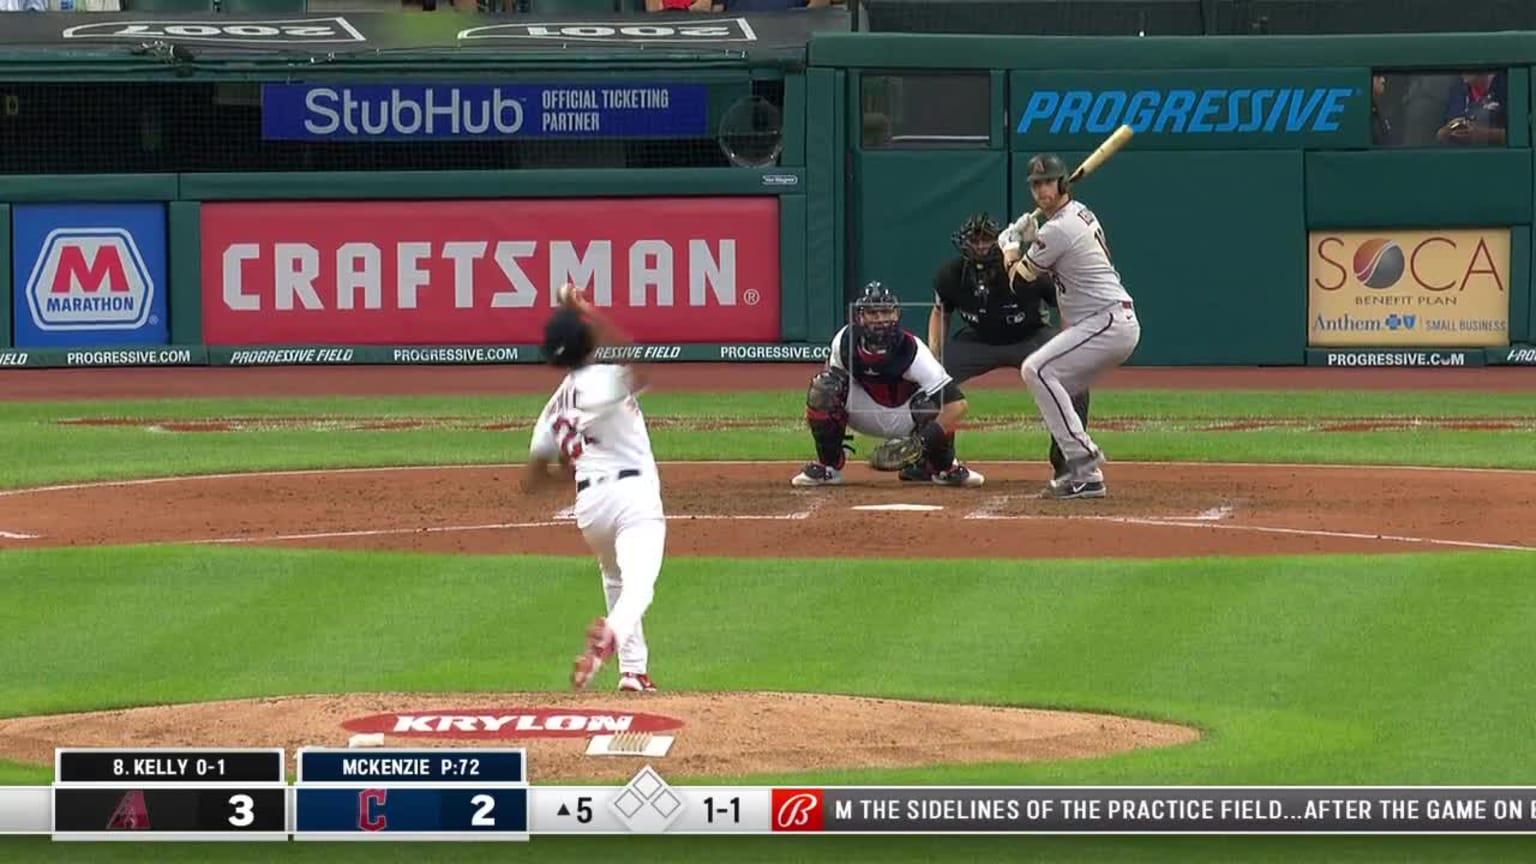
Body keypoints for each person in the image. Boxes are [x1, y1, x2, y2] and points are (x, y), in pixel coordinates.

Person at [522, 283, 663, 693]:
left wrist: (570, 472)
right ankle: (611, 636)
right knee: (639, 584)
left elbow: (533, 477)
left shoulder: (554, 406)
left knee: (615, 576)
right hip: (631, 497)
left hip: (591, 507)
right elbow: (638, 365)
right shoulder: (602, 379)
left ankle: (633, 670)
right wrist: (590, 310)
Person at [911, 211, 1091, 486]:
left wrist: (1068, 345)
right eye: (975, 240)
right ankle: (934, 461)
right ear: (965, 242)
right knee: (928, 383)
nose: (981, 246)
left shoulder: (1024, 270)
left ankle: (1068, 464)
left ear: (998, 242)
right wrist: (934, 357)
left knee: (1074, 382)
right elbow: (940, 312)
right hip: (978, 340)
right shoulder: (950, 274)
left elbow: (1066, 303)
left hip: (1030, 337)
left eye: (986, 240)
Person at [1001, 153, 1141, 500]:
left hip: (1106, 321)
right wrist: (1034, 241)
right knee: (1059, 383)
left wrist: (1010, 249)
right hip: (1106, 321)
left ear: (1063, 183)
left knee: (1035, 369)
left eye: (1048, 181)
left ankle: (1082, 461)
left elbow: (1020, 281)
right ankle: (1081, 473)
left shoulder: (1060, 227)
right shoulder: (1076, 214)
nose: (1041, 190)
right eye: (1036, 184)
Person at [791, 280, 984, 488]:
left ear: (896, 314)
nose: (880, 320)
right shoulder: (845, 341)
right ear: (860, 317)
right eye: (873, 314)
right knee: (824, 387)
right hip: (862, 412)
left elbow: (957, 405)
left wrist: (921, 441)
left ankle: (941, 468)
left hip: (908, 418)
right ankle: (828, 466)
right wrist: (824, 425)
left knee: (933, 402)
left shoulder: (913, 350)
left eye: (885, 312)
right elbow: (831, 386)